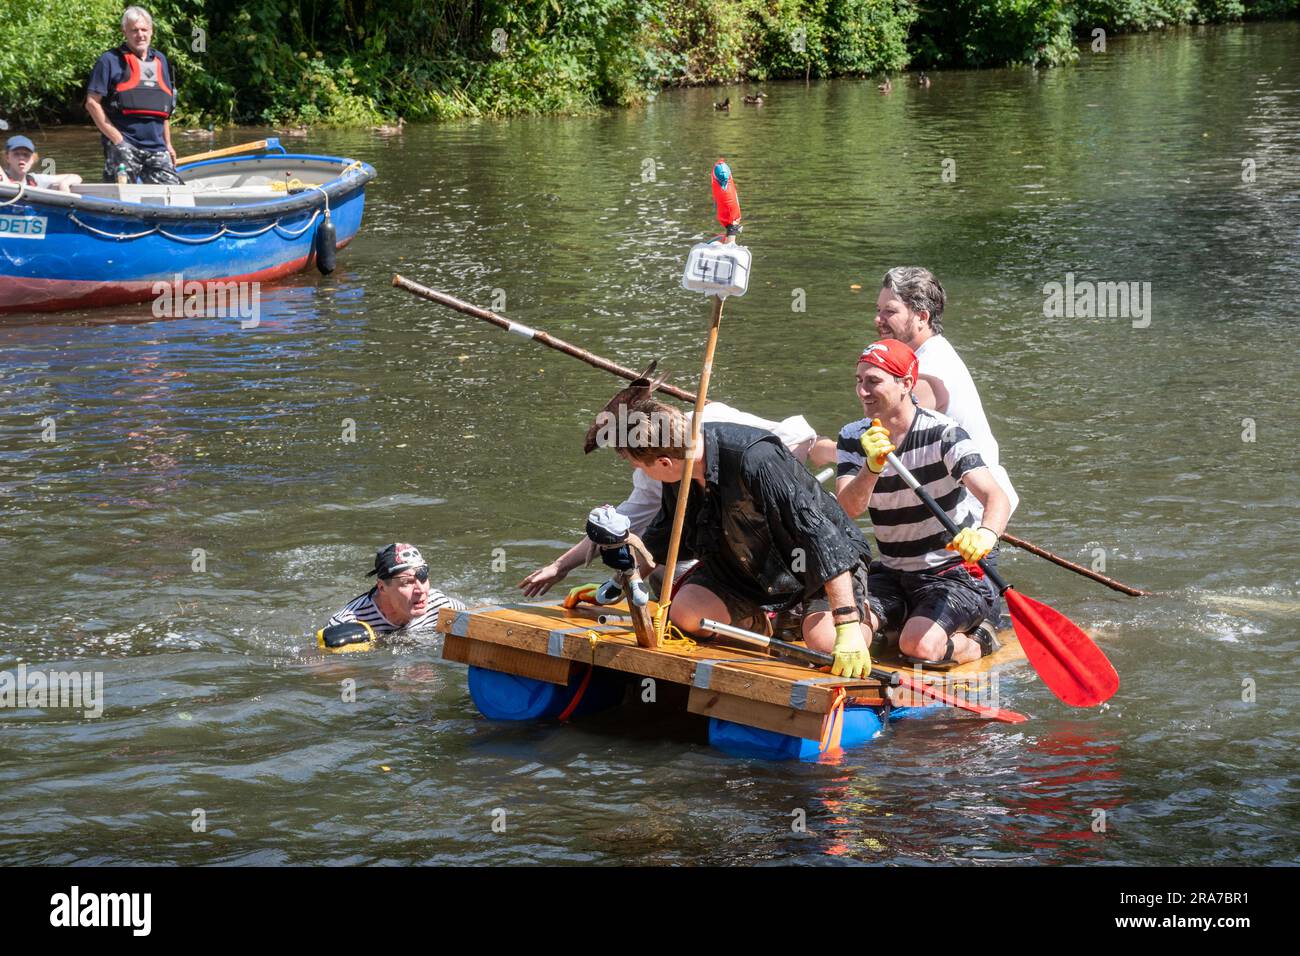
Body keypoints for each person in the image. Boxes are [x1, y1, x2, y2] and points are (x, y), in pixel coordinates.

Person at [587, 386, 875, 679]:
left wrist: (847, 623)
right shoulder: (680, 469)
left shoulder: (755, 458)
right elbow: (664, 538)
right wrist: (618, 582)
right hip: (747, 570)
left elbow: (820, 535)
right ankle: (767, 621)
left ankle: (871, 614)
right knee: (686, 614)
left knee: (825, 645)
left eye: (640, 468)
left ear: (664, 463)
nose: (643, 475)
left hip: (818, 566)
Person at [519, 364, 837, 599]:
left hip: (779, 518)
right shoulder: (654, 470)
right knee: (656, 560)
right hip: (720, 534)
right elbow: (626, 521)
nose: (623, 458)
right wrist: (562, 566)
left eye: (624, 451)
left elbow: (797, 438)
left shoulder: (714, 426)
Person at [836, 339, 1010, 667]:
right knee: (839, 635)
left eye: (873, 381)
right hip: (893, 572)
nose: (862, 391)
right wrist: (871, 467)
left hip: (953, 574)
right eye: (858, 381)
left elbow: (994, 496)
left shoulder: (944, 434)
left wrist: (987, 535)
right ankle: (897, 634)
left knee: (918, 646)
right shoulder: (853, 436)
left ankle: (982, 639)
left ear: (906, 384)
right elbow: (848, 508)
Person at [871, 266, 1018, 515]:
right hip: (966, 501)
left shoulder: (929, 370)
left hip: (974, 510)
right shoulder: (927, 355)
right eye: (878, 311)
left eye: (890, 311)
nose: (878, 319)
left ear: (922, 317)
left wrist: (817, 448)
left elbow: (884, 439)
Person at [85, 6, 183, 186]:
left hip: (157, 148)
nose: (140, 35)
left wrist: (168, 144)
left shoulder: (160, 60)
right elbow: (92, 103)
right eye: (134, 30)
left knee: (176, 195)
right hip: (124, 146)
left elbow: (165, 109)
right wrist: (117, 140)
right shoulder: (109, 60)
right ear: (125, 32)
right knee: (120, 201)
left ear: (151, 31)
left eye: (144, 29)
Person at [324, 543, 465, 635]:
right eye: (407, 582)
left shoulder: (440, 605)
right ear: (382, 587)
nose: (421, 590)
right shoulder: (347, 623)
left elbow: (476, 621)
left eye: (423, 578)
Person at [0, 135, 82, 192]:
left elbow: (76, 177)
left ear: (32, 159)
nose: (21, 158)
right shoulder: (2, 177)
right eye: (16, 154)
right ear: (7, 158)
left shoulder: (37, 180)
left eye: (26, 155)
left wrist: (64, 184)